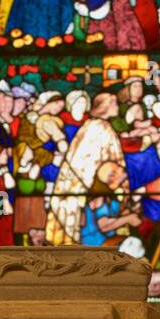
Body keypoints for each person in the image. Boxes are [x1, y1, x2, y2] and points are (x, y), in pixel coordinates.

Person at [46, 91, 126, 245]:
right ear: (105, 107)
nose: (117, 107)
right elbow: (95, 162)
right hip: (90, 187)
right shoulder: (100, 127)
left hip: (91, 187)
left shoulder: (91, 125)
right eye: (114, 103)